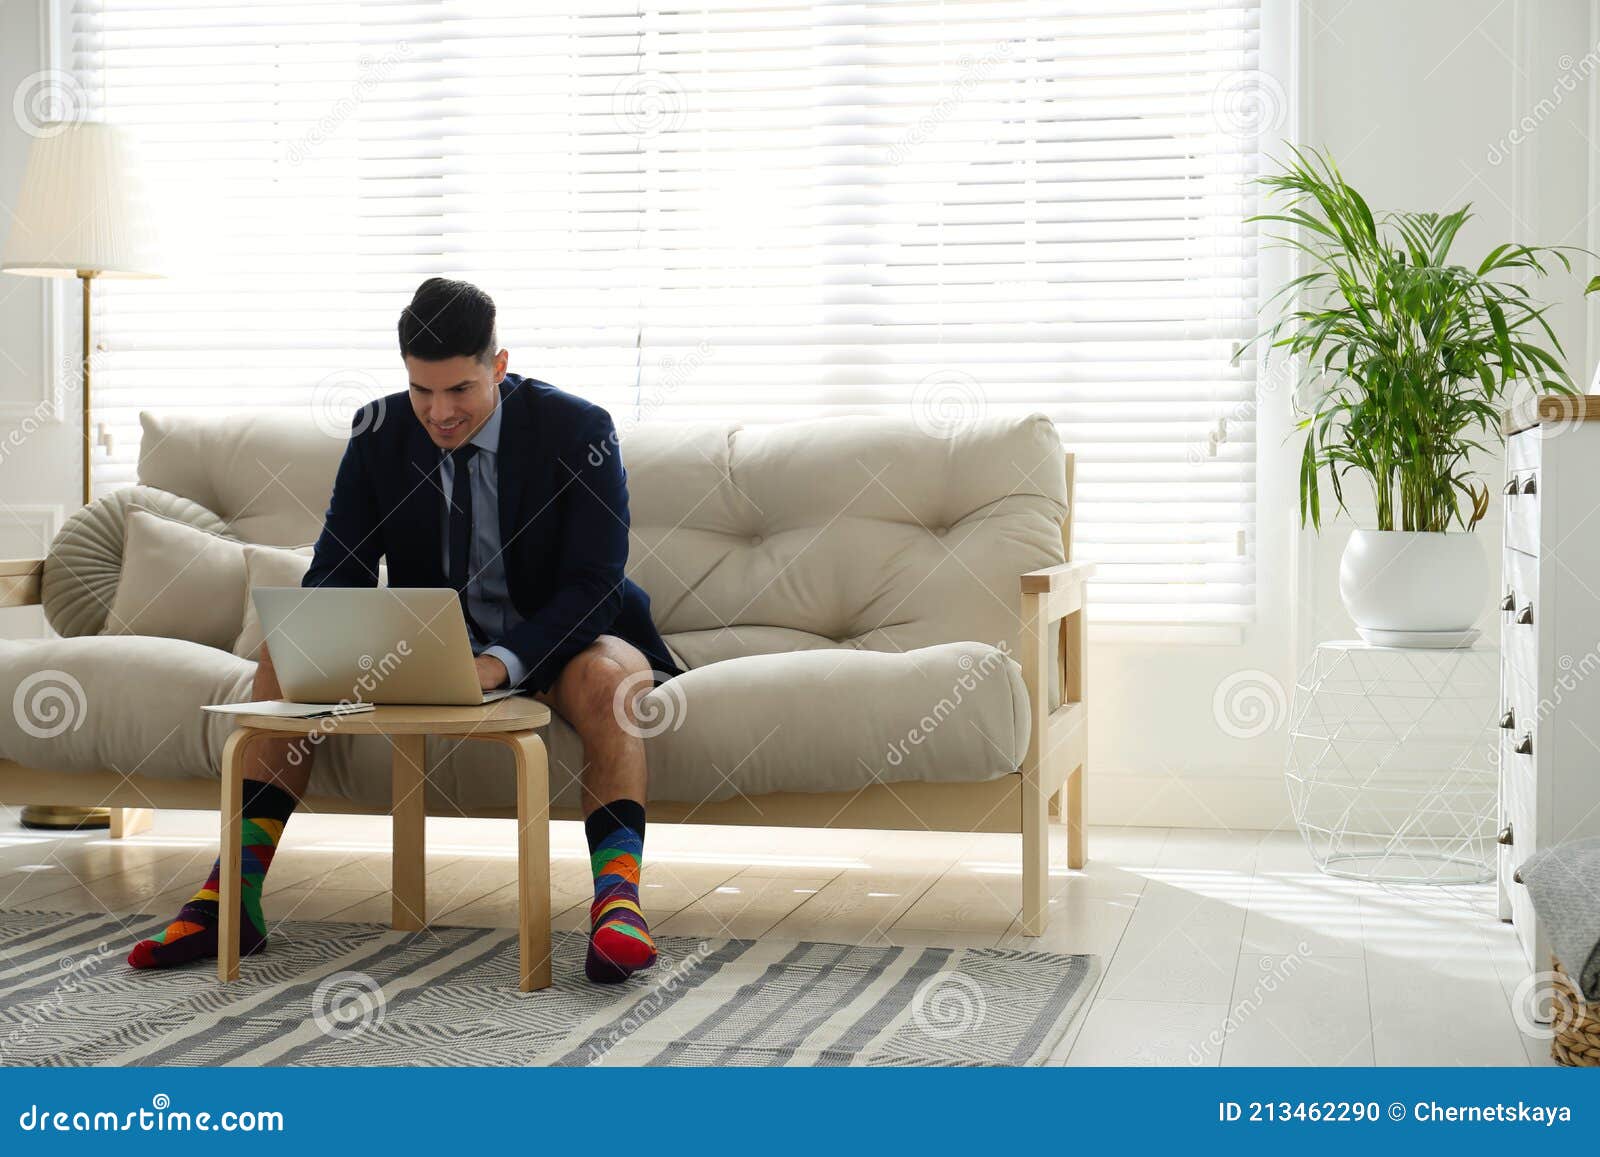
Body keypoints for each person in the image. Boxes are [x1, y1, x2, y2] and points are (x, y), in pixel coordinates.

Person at [128, 277, 679, 984]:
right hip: (436, 643)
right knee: (281, 657)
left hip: (563, 636)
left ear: (500, 367)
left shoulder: (578, 429)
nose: (439, 413)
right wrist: (326, 633)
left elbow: (595, 583)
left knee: (611, 680)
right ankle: (228, 899)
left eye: (459, 391)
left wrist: (501, 663)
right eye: (422, 390)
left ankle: (617, 908)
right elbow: (339, 569)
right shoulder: (380, 432)